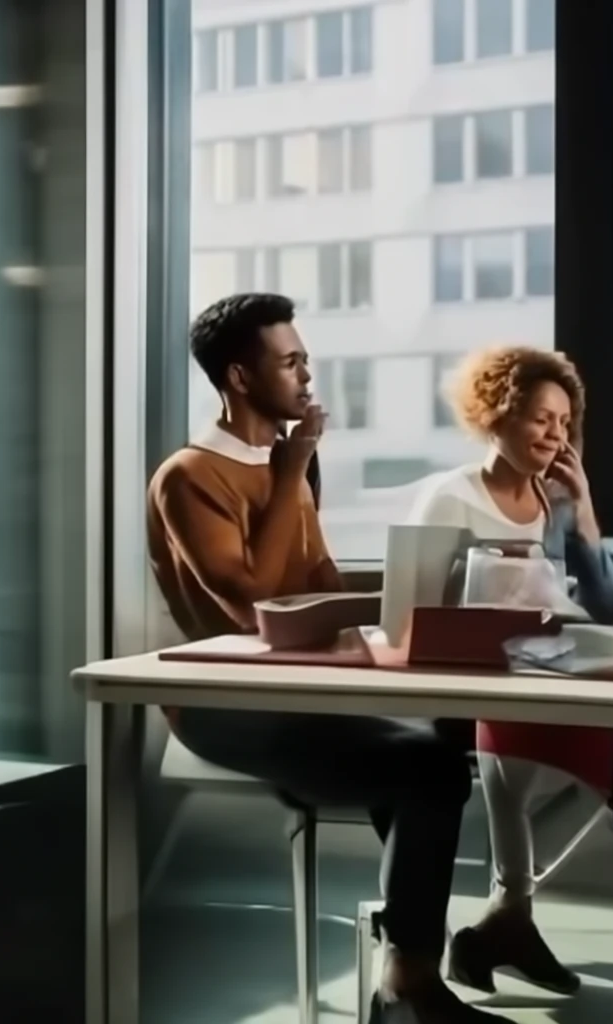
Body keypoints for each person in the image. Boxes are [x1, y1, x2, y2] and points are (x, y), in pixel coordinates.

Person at [147, 293, 510, 1024]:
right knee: (428, 768)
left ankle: (405, 969)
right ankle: (410, 980)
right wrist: (295, 471)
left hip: (307, 689)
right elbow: (255, 608)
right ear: (240, 378)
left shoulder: (283, 463)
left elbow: (318, 584)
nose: (307, 376)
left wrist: (416, 606)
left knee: (444, 739)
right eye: (290, 362)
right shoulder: (189, 475)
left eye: (306, 359)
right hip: (226, 706)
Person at [408, 346, 613, 995]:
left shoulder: (556, 503)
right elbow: (416, 621)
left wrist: (585, 514)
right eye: (541, 418)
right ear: (497, 415)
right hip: (487, 692)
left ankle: (504, 922)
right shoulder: (447, 498)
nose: (555, 435)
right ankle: (506, 921)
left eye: (564, 423)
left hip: (558, 681)